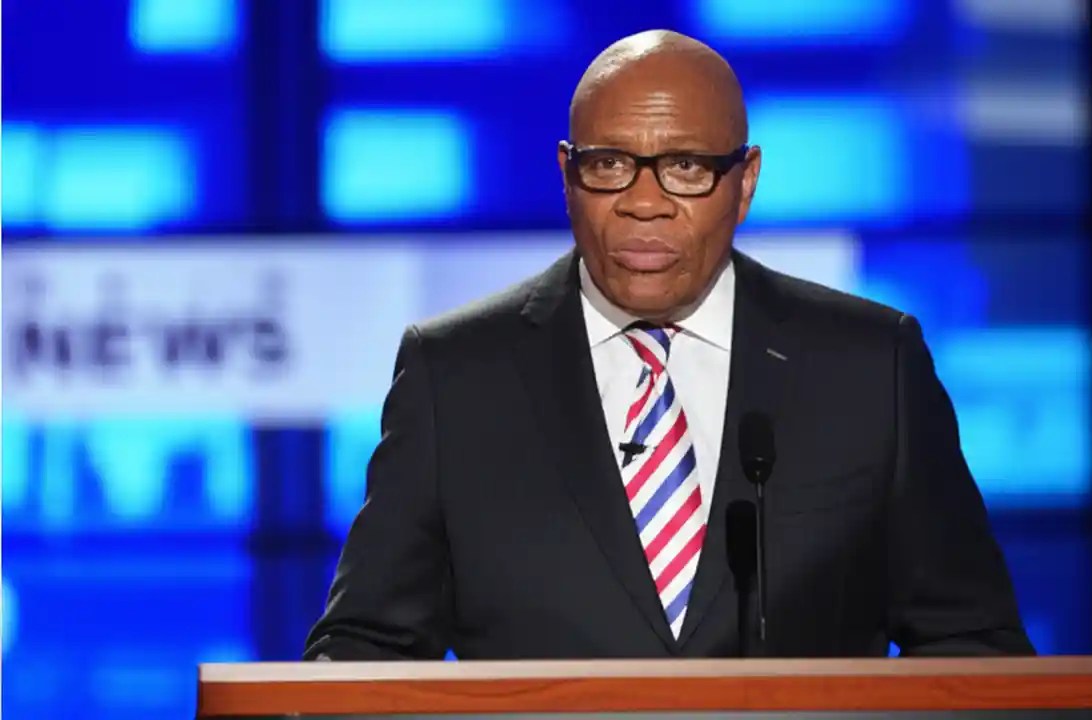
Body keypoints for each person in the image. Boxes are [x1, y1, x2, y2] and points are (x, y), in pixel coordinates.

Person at [303, 30, 1033, 661]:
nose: (644, 202)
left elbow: (971, 646)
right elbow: (367, 651)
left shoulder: (871, 367)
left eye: (686, 166)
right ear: (566, 176)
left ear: (744, 183)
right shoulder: (455, 378)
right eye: (608, 165)